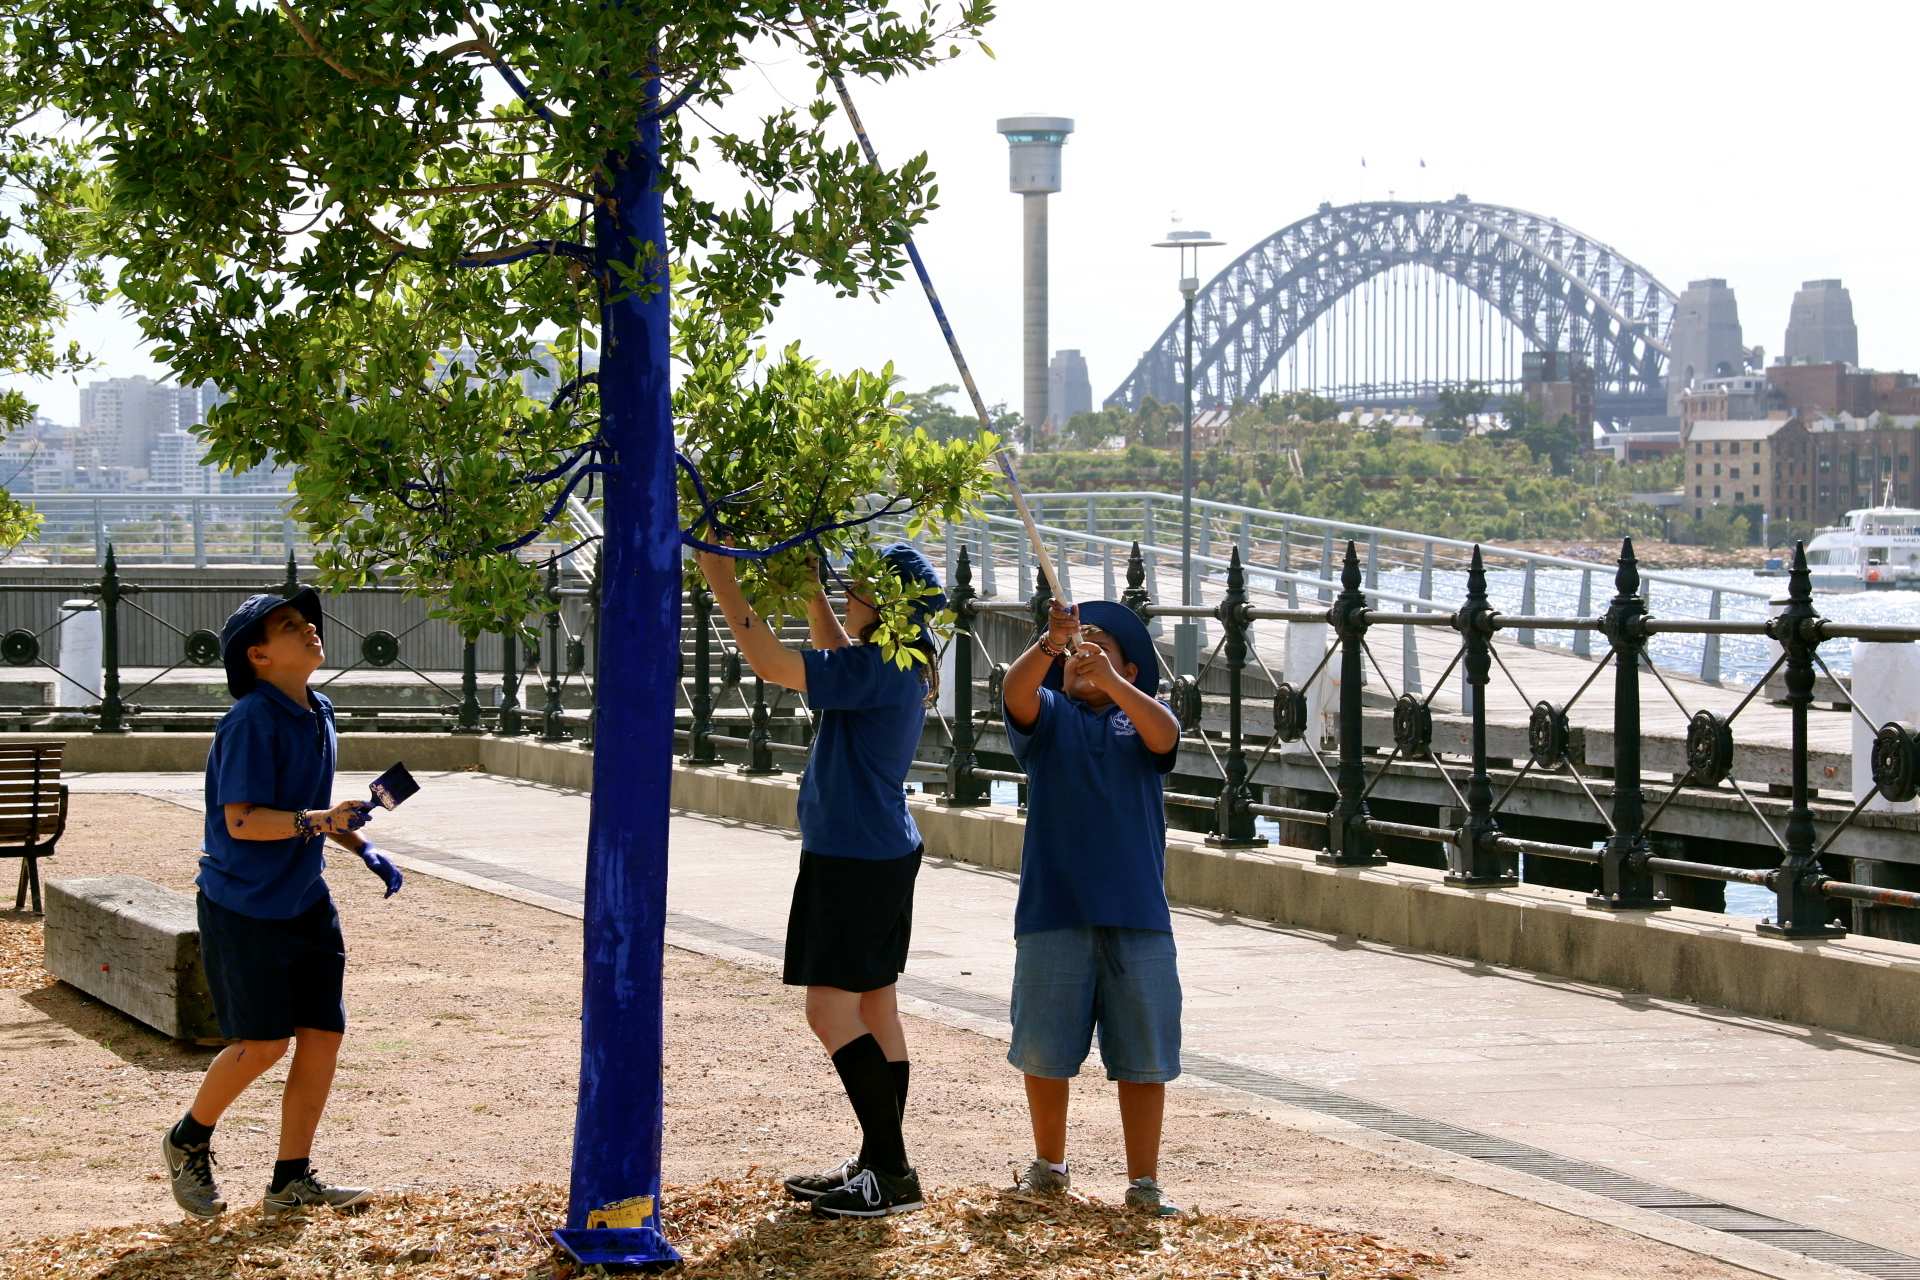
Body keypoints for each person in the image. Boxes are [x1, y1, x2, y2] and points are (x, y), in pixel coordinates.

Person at [694, 541, 941, 1219]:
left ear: (887, 604)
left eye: (857, 586)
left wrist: (722, 581)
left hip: (854, 858)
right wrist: (810, 592)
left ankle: (890, 1171)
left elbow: (773, 665)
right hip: (877, 851)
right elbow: (835, 655)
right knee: (876, 1009)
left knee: (829, 1011)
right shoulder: (897, 659)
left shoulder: (882, 666)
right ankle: (879, 1162)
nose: (848, 592)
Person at [161, 589, 405, 1220]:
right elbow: (242, 822)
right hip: (244, 906)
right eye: (290, 625)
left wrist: (361, 844)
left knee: (323, 1035)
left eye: (306, 621)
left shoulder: (319, 709)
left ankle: (291, 1180)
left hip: (305, 900)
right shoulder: (249, 721)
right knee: (264, 1044)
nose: (309, 629)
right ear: (259, 656)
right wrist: (319, 820)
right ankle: (188, 1138)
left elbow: (307, 810)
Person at [999, 598, 1187, 1215]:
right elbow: (1015, 691)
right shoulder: (1052, 715)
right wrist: (1050, 644)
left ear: (1130, 670)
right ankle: (1048, 1165)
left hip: (1138, 913)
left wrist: (1113, 683)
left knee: (1144, 1056)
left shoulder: (1140, 718)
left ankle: (1144, 1182)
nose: (1084, 656)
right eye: (1078, 649)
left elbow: (1166, 735)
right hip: (1053, 907)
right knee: (1044, 1048)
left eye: (1100, 648)